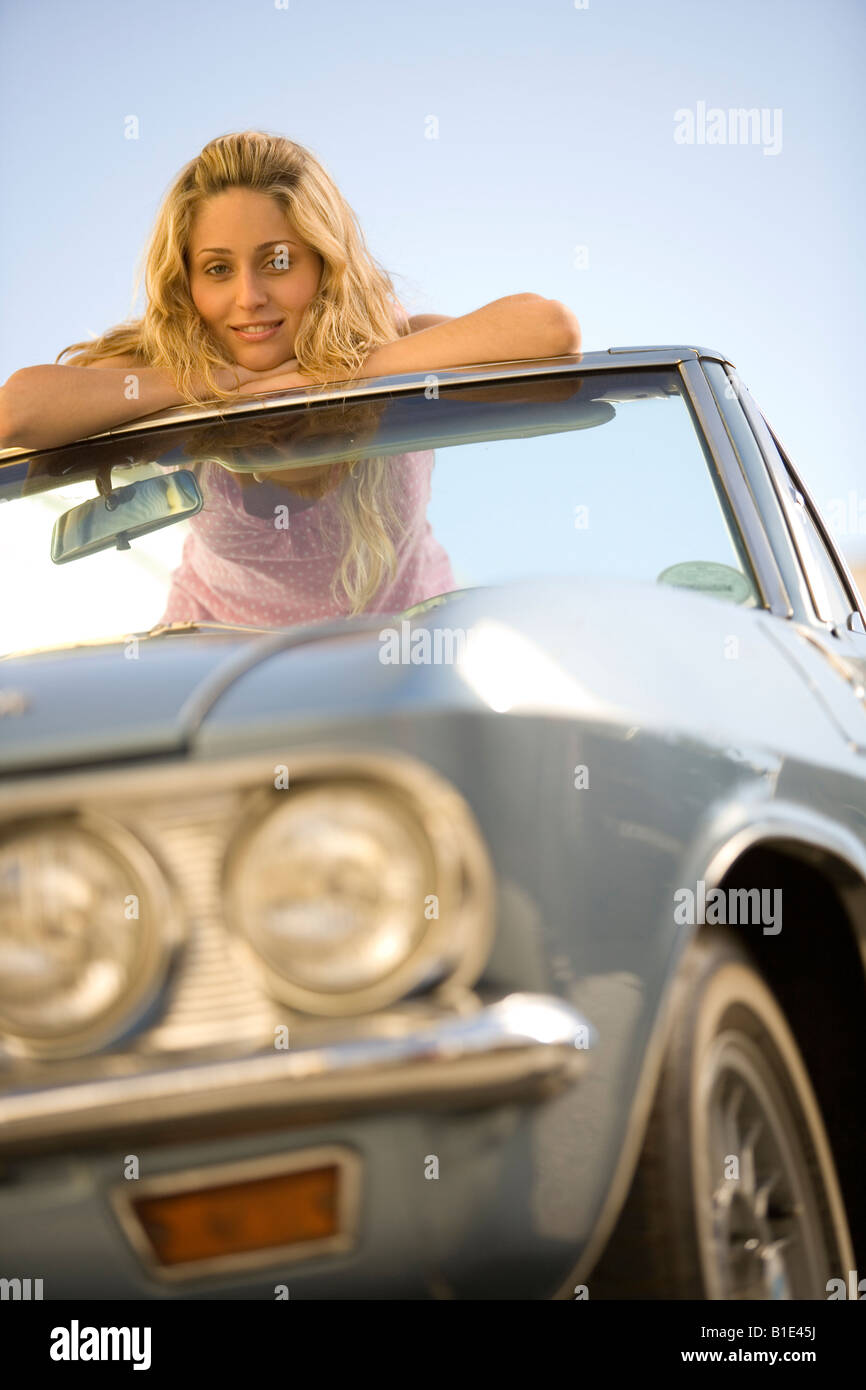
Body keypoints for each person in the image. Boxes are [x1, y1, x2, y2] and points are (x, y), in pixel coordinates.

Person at [0, 130, 581, 625]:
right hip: (221, 679)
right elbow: (16, 413)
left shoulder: (396, 341)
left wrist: (338, 371)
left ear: (323, 262)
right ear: (189, 282)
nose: (249, 297)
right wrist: (211, 384)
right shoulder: (167, 361)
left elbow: (549, 331)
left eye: (277, 261)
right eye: (218, 269)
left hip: (404, 664)